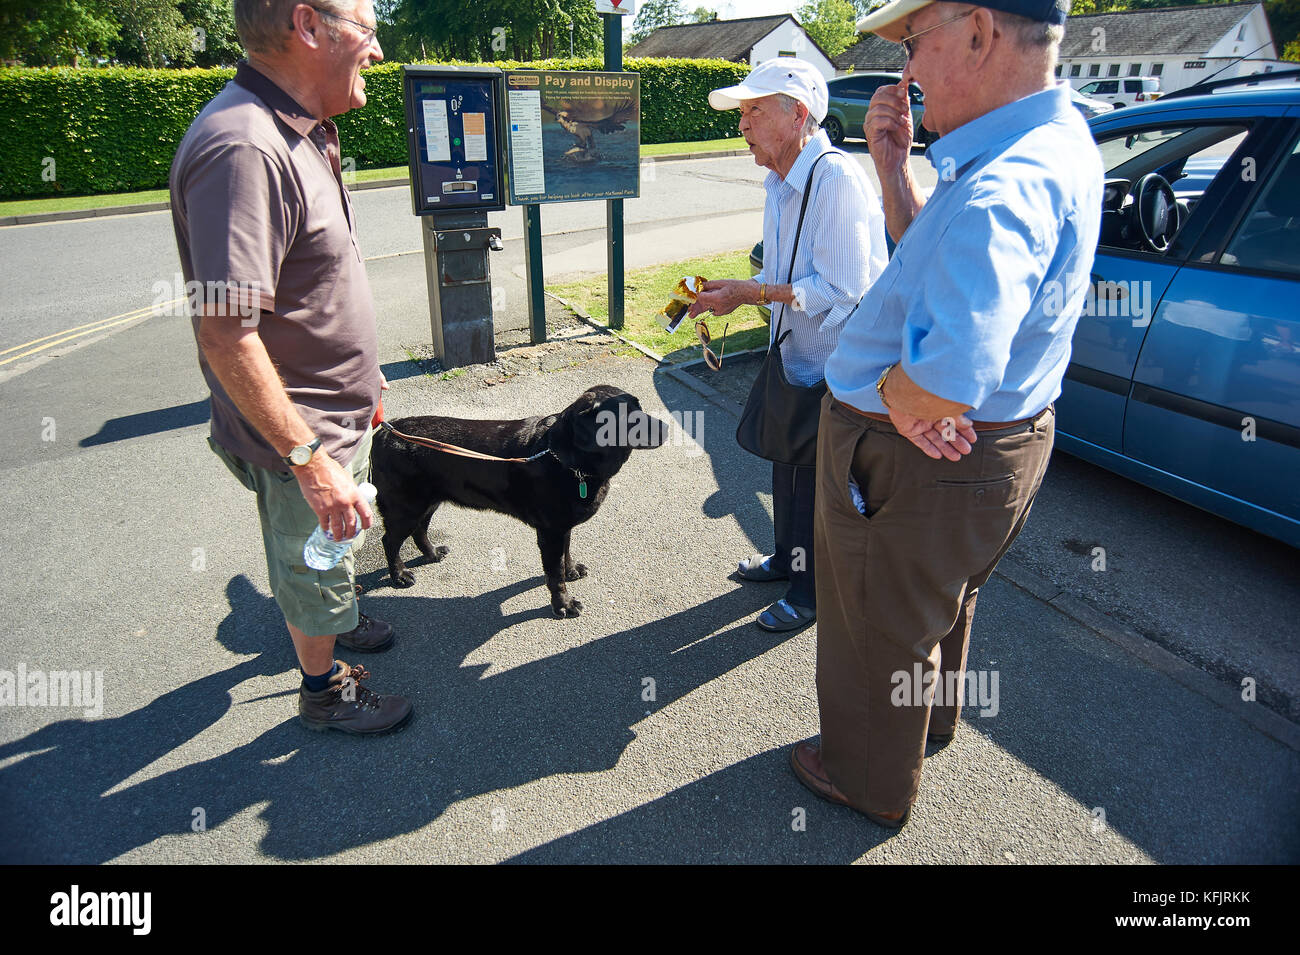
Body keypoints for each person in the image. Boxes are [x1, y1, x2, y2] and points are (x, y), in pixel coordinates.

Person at [789, 0, 1102, 826]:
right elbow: (938, 270)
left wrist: (885, 381)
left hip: (911, 457)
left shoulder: (1006, 184)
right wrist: (894, 172)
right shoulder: (1049, 138)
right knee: (940, 597)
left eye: (914, 45)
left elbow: (947, 380)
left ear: (978, 32)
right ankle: (926, 721)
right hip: (997, 449)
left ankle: (866, 780)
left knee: (873, 625)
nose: (908, 75)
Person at [170, 0, 412, 734]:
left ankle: (332, 618)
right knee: (311, 556)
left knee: (325, 551)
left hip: (332, 416)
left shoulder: (297, 130)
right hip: (301, 436)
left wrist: (363, 385)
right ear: (309, 26)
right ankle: (324, 688)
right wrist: (309, 460)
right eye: (368, 31)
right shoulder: (245, 147)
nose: (376, 50)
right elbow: (225, 332)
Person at [690, 58, 888, 634]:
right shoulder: (779, 179)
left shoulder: (836, 179)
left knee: (822, 483)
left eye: (754, 110)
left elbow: (843, 290)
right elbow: (788, 274)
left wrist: (755, 292)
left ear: (798, 113)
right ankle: (784, 559)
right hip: (796, 358)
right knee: (787, 464)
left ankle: (811, 592)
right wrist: (742, 292)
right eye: (743, 112)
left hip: (837, 365)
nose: (743, 124)